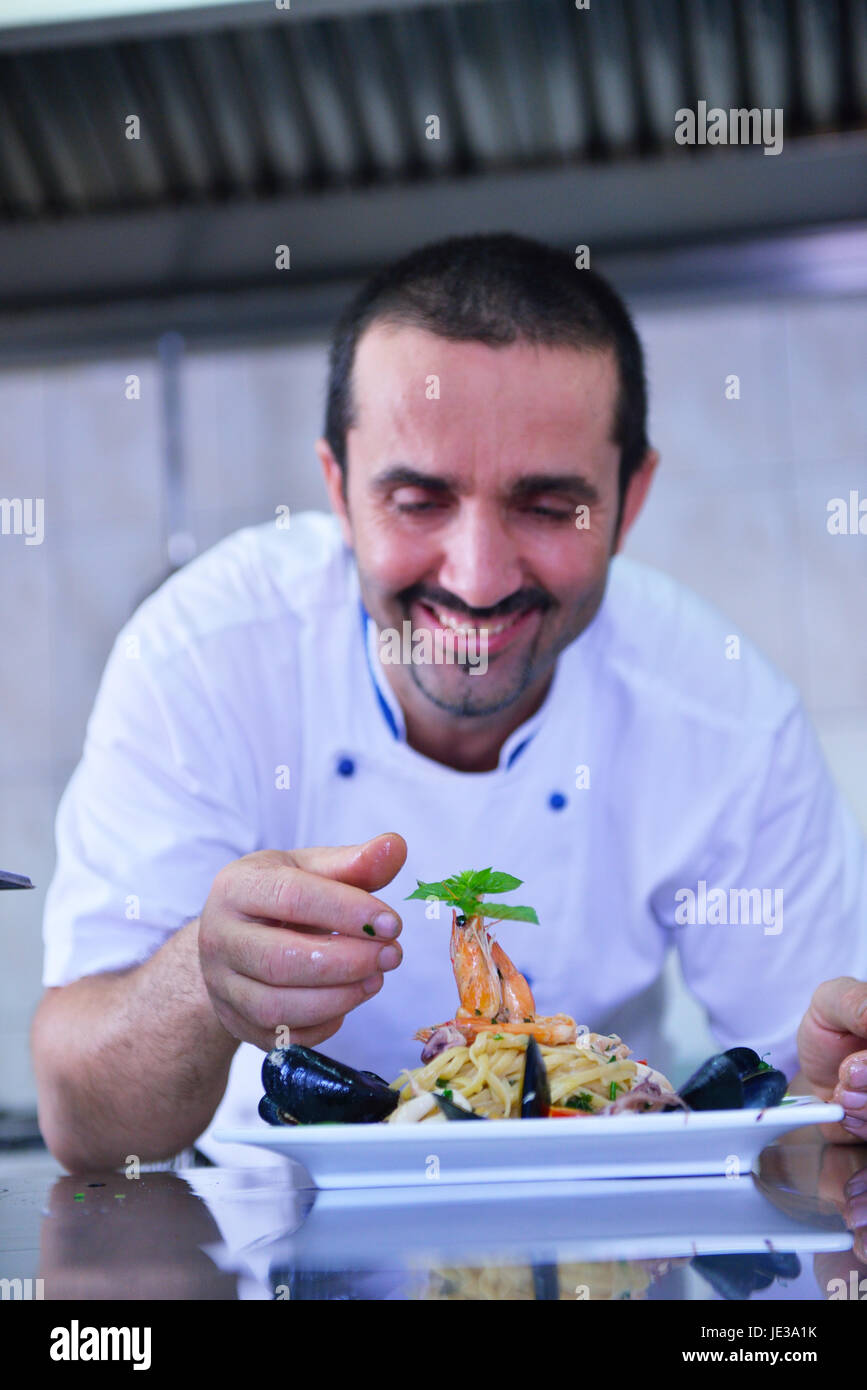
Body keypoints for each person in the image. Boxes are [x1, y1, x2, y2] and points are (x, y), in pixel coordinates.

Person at [33, 233, 867, 1171]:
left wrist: (836, 1094)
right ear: (338, 489)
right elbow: (84, 1127)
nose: (475, 578)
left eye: (548, 507)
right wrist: (201, 979)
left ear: (629, 500)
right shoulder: (200, 660)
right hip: (258, 1235)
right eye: (418, 500)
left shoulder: (725, 717)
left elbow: (804, 1103)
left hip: (599, 1242)